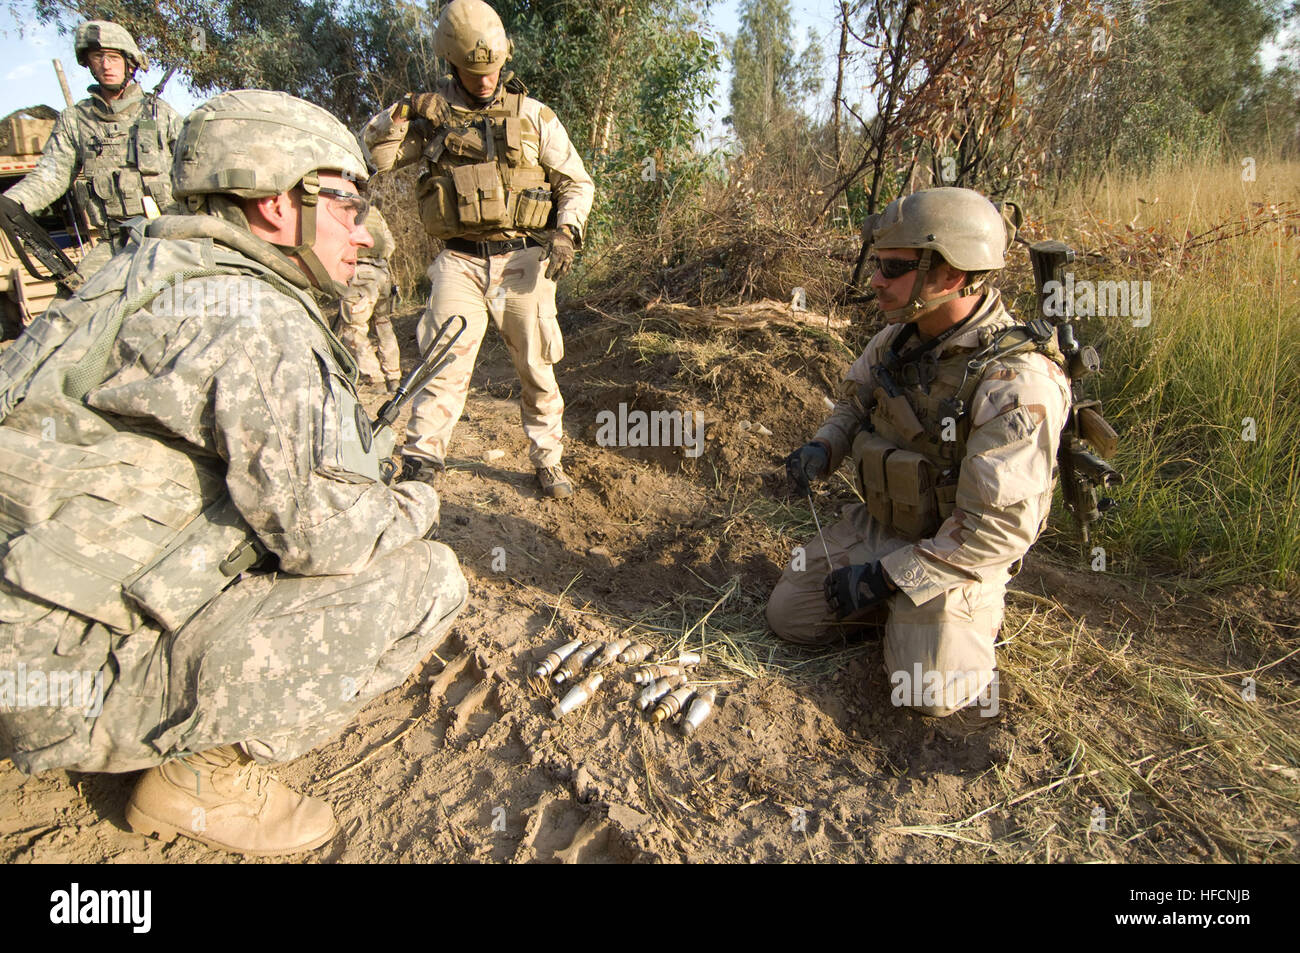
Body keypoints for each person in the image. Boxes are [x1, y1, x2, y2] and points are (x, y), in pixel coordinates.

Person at [0, 90, 467, 856]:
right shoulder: (257, 318)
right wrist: (412, 500)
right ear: (280, 205)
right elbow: (324, 535)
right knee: (426, 579)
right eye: (347, 203)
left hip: (27, 639)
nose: (363, 232)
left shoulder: (140, 269)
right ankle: (201, 778)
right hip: (58, 690)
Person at [767, 187, 1072, 718]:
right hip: (882, 527)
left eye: (892, 266)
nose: (876, 279)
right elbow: (855, 405)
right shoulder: (898, 338)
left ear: (951, 275)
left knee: (926, 692)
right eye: (877, 263)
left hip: (956, 554)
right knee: (788, 617)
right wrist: (823, 446)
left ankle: (964, 614)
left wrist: (883, 580)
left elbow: (994, 531)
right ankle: (899, 613)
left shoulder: (1015, 383)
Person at [363, 0, 595, 498]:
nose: (486, 79)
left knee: (536, 365)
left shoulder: (534, 116)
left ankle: (548, 460)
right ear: (451, 62)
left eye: (493, 68)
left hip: (523, 259)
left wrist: (567, 230)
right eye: (473, 70)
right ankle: (423, 460)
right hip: (460, 261)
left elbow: (576, 182)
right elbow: (375, 156)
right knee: (443, 361)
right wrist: (403, 110)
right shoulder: (430, 117)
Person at [3, 20, 183, 281]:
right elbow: (50, 175)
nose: (106, 65)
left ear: (129, 61)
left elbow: (194, 172)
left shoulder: (162, 114)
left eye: (113, 57)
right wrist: (12, 202)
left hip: (168, 238)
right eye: (98, 57)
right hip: (113, 245)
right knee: (67, 313)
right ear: (88, 63)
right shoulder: (75, 120)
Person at [337, 204, 402, 392]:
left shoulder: (341, 207)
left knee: (354, 327)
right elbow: (389, 243)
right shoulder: (373, 211)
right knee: (383, 324)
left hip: (360, 272)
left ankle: (374, 378)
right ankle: (394, 376)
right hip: (382, 273)